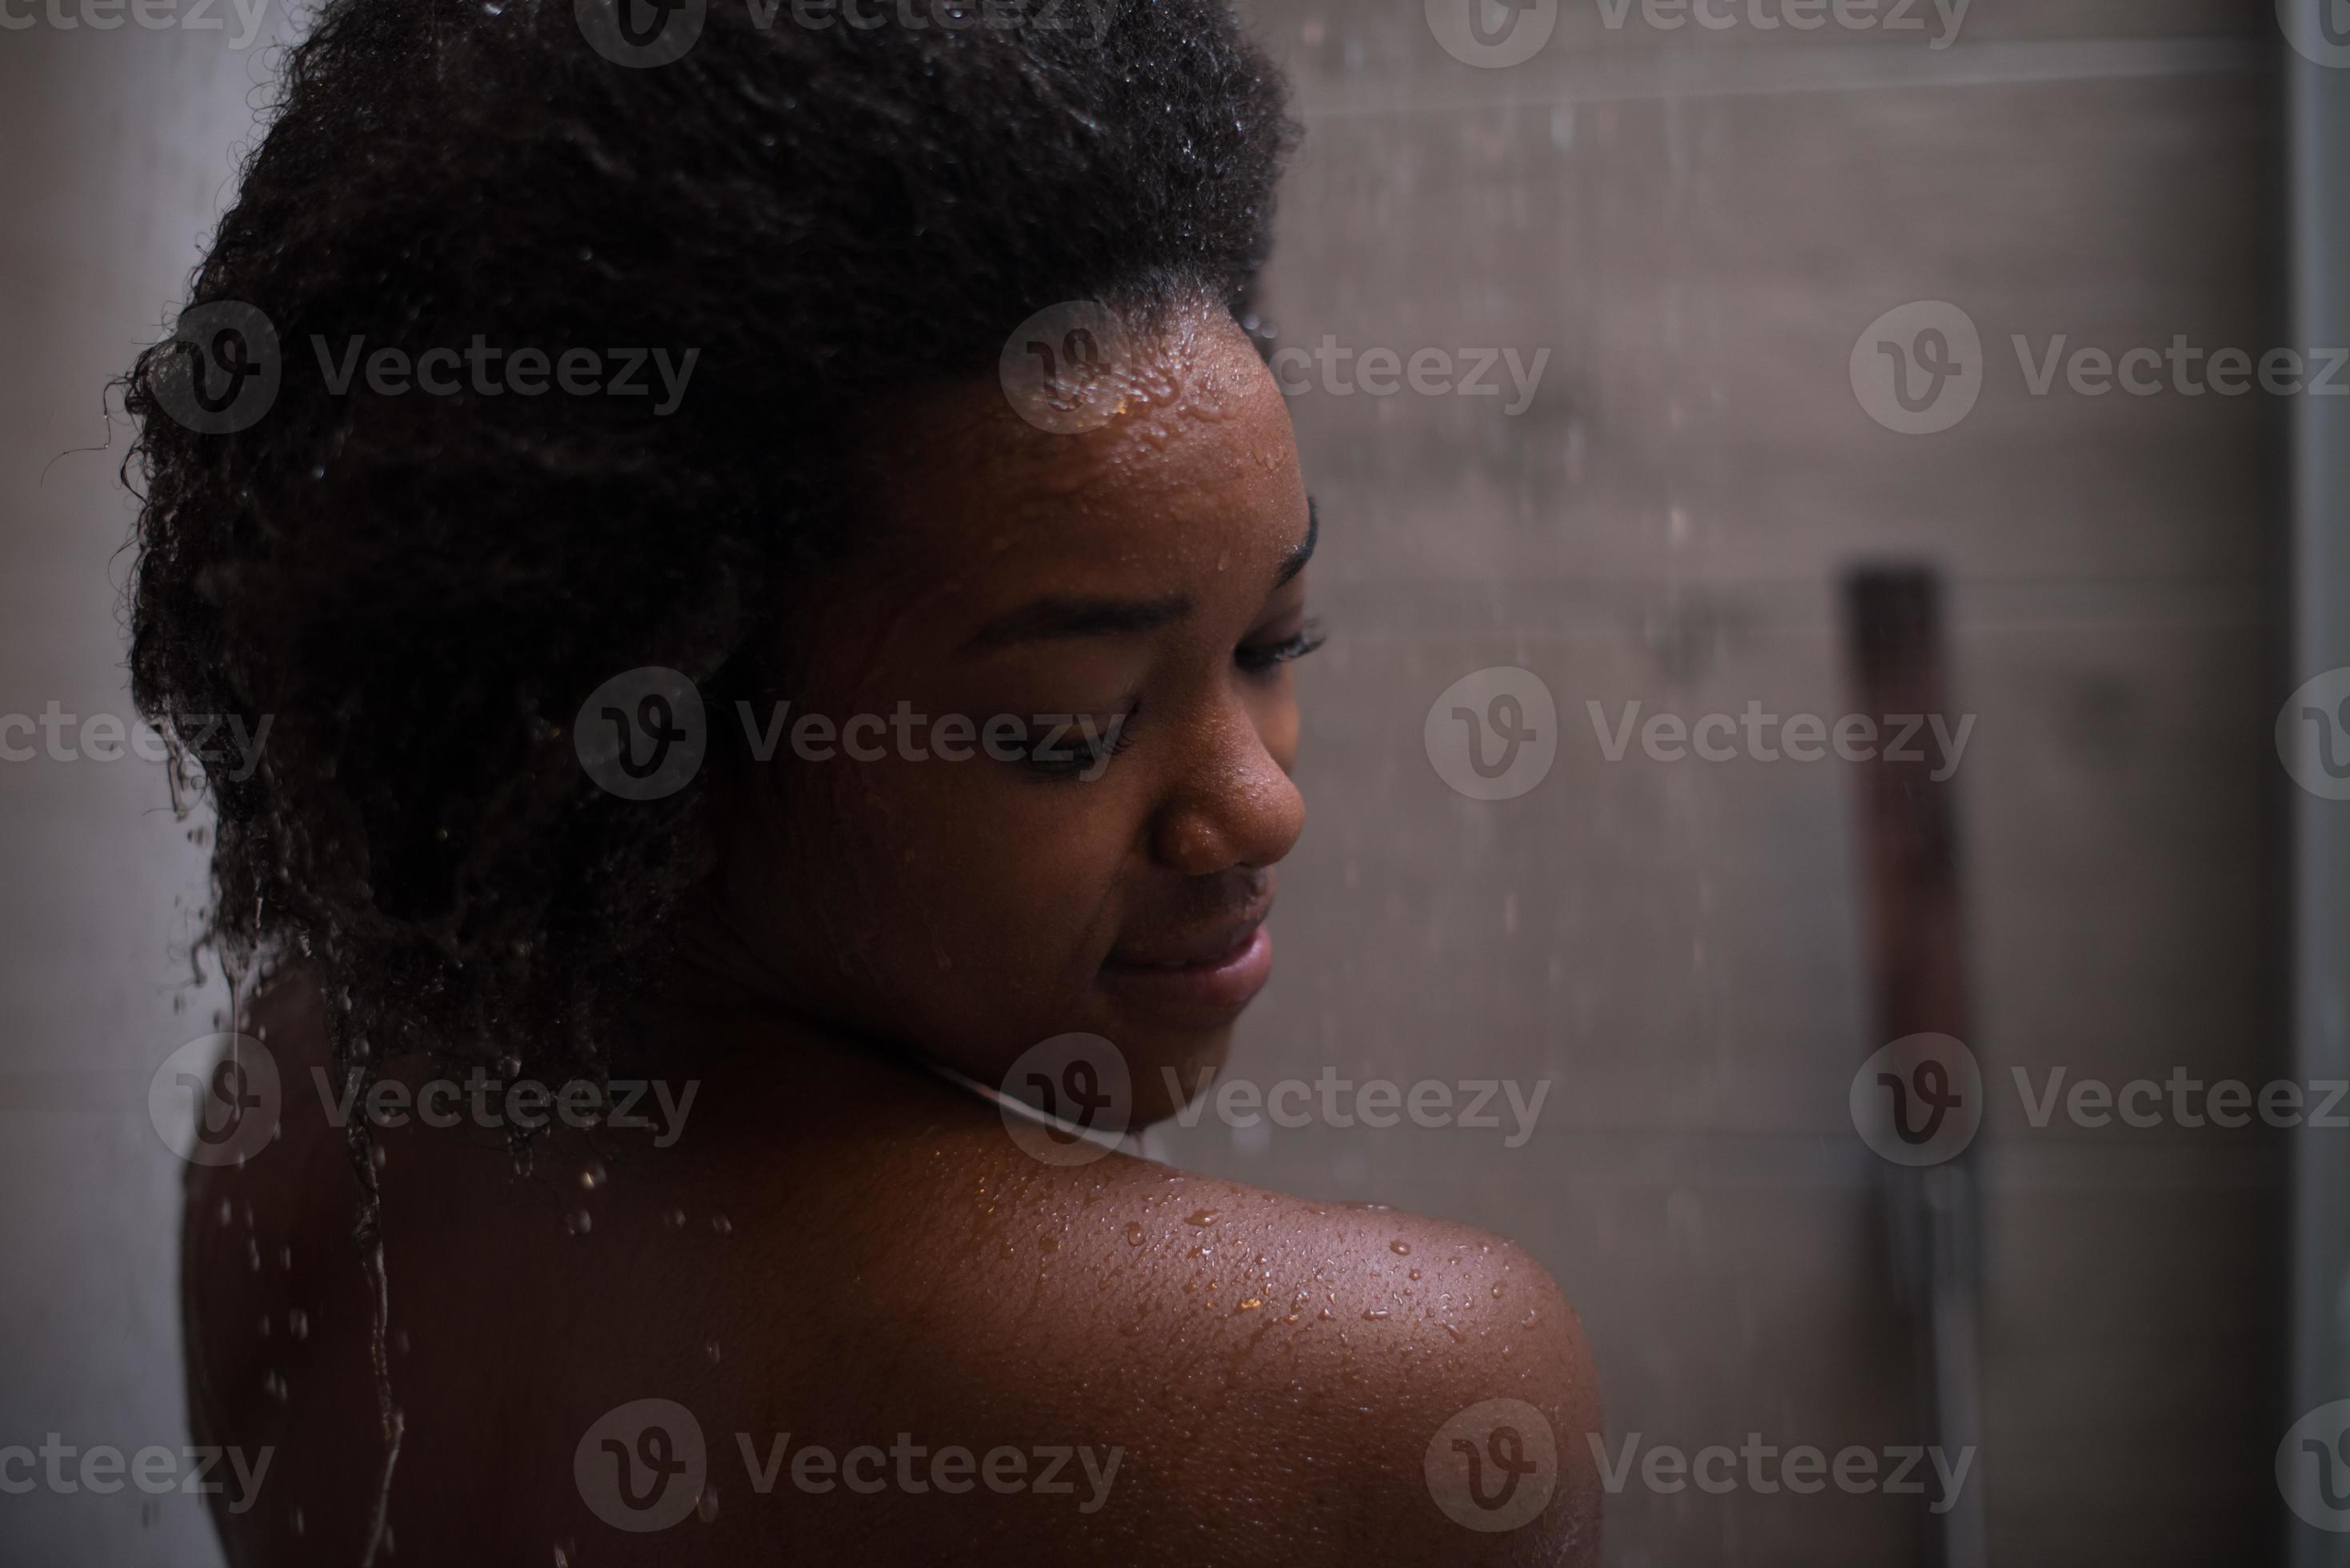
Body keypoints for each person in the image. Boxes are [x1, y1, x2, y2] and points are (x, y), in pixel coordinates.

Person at [127, 0, 1601, 1559]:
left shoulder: (309, 1084)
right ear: (651, 725)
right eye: (1068, 723)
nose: (1257, 803)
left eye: (1271, 640)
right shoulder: (1385, 1393)